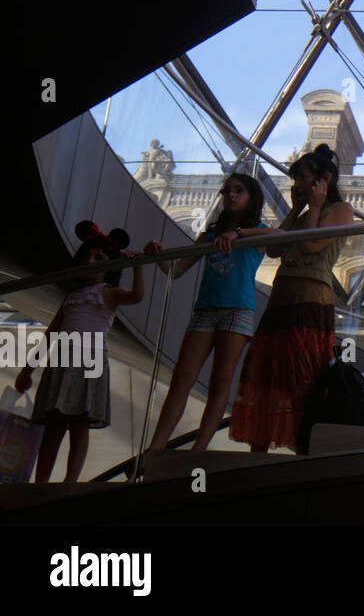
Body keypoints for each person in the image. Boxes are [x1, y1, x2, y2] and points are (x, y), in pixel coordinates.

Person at [228, 145, 354, 452]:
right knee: (268, 372)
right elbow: (273, 249)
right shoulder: (302, 214)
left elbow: (311, 244)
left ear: (322, 180)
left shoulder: (340, 210)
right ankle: (257, 453)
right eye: (294, 178)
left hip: (310, 302)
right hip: (280, 302)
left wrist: (315, 207)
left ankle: (302, 451)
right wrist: (297, 210)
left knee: (303, 376)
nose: (295, 184)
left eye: (301, 177)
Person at [15, 221, 160, 482]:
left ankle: (70, 482)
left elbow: (137, 295)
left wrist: (137, 266)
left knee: (80, 424)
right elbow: (51, 335)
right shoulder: (72, 297)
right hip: (63, 361)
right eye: (88, 256)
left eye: (99, 258)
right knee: (54, 425)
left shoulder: (109, 293)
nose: (92, 262)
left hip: (89, 360)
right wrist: (28, 369)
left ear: (110, 264)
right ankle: (41, 482)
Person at [145, 173, 276, 453]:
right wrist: (158, 257)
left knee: (220, 384)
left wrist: (239, 233)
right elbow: (176, 271)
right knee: (182, 379)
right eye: (227, 190)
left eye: (239, 190)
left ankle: (198, 450)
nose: (231, 195)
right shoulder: (210, 234)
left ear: (251, 197)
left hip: (237, 311)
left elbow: (279, 235)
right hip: (205, 310)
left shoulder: (257, 232)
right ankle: (155, 447)